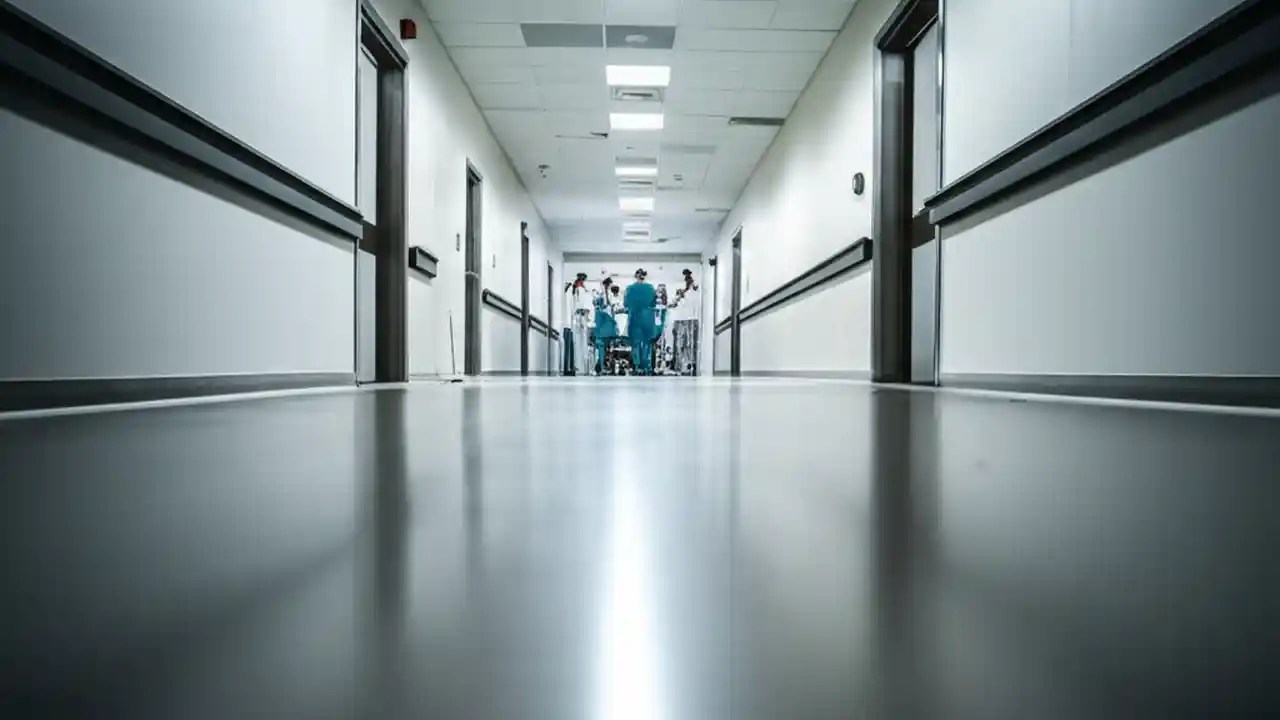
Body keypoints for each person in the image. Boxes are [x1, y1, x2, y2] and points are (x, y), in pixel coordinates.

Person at [623, 268, 657, 375]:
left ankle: (637, 367)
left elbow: (625, 304)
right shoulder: (650, 288)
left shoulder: (629, 289)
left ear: (635, 276)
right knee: (647, 343)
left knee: (635, 343)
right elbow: (654, 303)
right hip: (647, 317)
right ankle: (646, 366)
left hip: (634, 317)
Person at [670, 268, 701, 376]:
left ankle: (690, 365)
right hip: (681, 320)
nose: (688, 281)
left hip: (691, 319)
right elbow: (672, 304)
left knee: (690, 344)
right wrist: (679, 296)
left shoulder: (695, 291)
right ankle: (681, 367)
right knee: (681, 345)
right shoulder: (681, 293)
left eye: (689, 279)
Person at [565, 272, 594, 376]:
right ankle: (580, 367)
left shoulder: (576, 288)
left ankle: (580, 367)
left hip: (578, 318)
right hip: (580, 318)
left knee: (579, 343)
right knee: (580, 343)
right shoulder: (578, 289)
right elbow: (581, 305)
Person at [593, 278, 618, 374]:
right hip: (605, 321)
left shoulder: (605, 294)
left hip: (605, 322)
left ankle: (600, 364)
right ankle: (600, 365)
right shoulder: (602, 294)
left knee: (603, 346)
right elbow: (606, 307)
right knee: (602, 345)